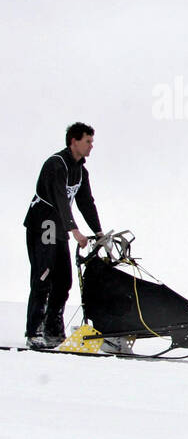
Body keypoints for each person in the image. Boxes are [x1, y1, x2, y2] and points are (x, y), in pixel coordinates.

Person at [22, 122, 103, 349]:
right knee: (43, 276)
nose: (91, 146)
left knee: (64, 280)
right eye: (88, 141)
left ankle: (52, 329)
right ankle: (33, 331)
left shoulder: (80, 170)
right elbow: (59, 197)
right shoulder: (56, 165)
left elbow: (86, 203)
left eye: (92, 142)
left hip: (58, 227)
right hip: (43, 223)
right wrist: (74, 230)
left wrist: (99, 232)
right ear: (74, 141)